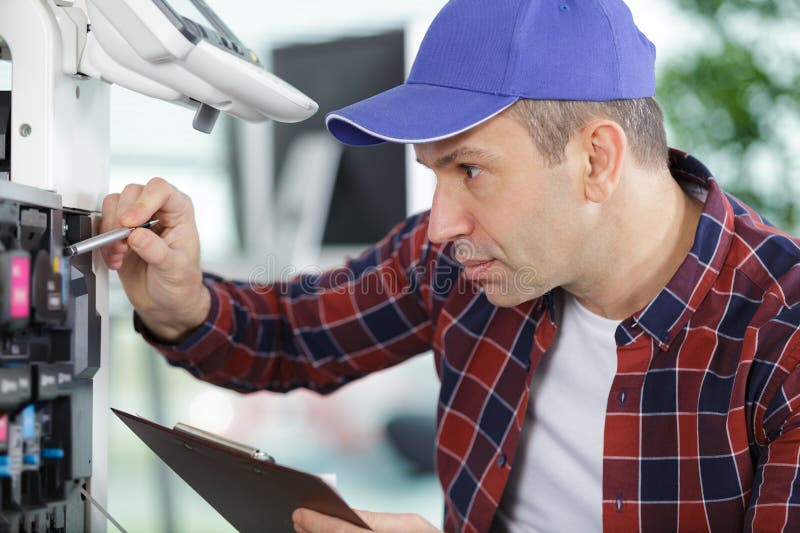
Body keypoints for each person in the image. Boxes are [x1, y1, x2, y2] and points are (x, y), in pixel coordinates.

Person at [101, 0, 800, 531]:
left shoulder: (785, 339)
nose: (440, 225)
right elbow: (288, 333)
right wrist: (180, 301)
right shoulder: (453, 262)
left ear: (597, 160)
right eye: (434, 173)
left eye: (470, 169)